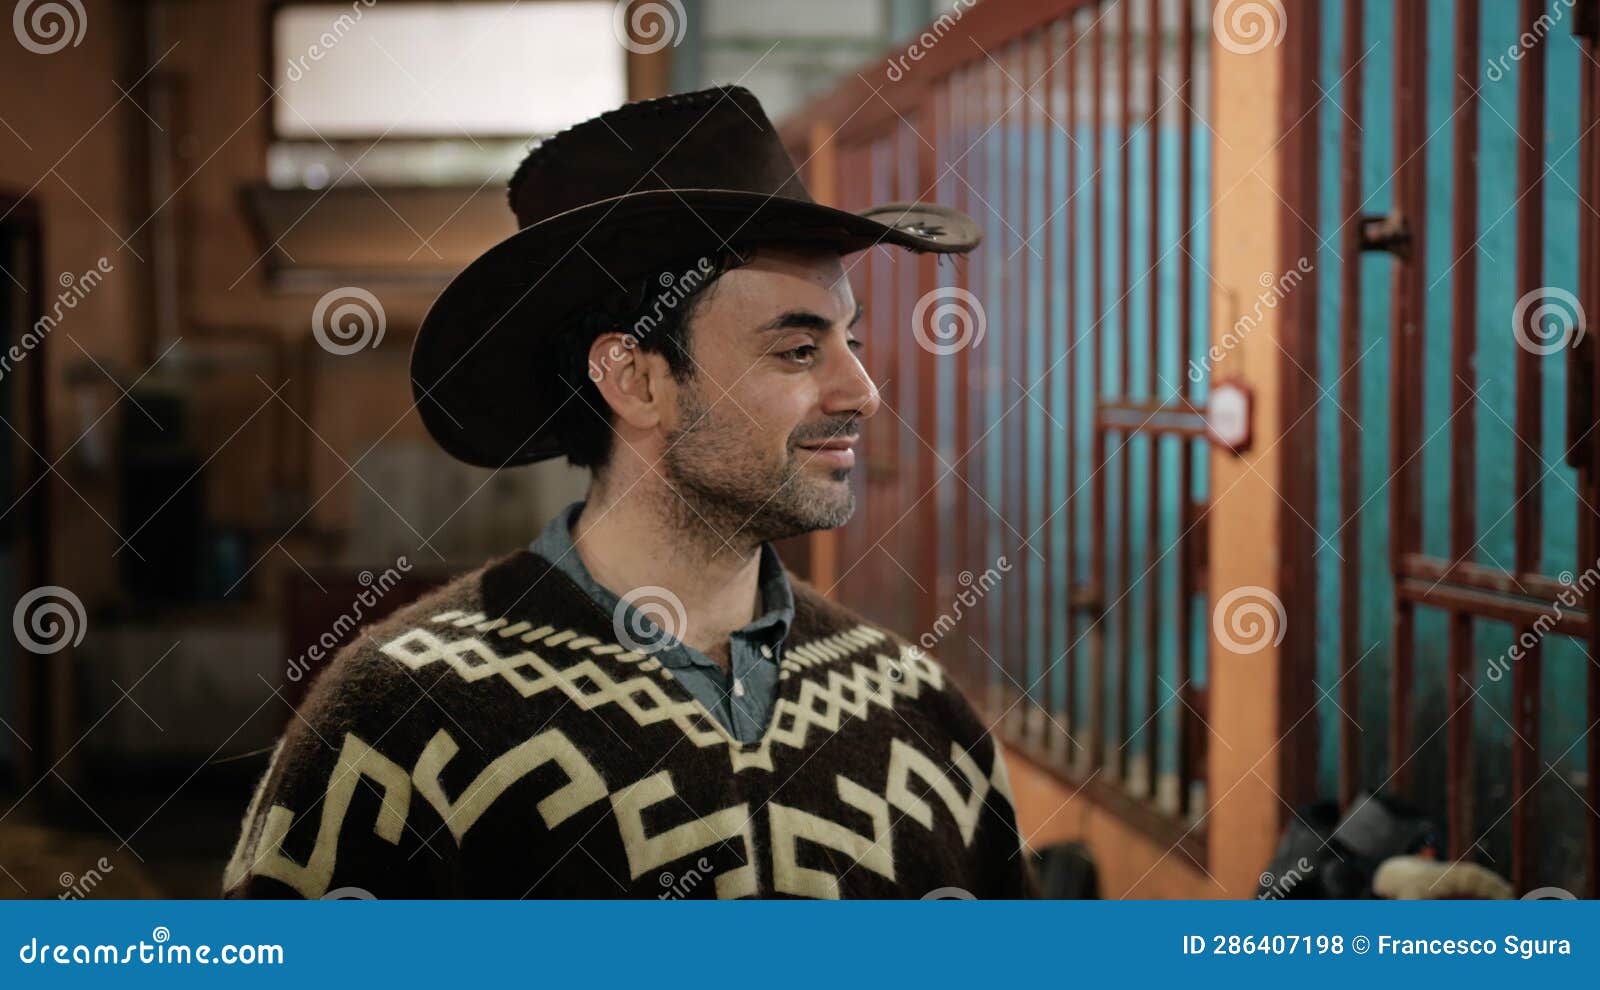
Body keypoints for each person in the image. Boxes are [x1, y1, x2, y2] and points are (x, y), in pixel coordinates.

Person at [223, 85, 1033, 899]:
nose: (861, 391)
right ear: (636, 379)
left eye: (849, 342)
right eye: (797, 350)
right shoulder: (401, 719)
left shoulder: (918, 714)